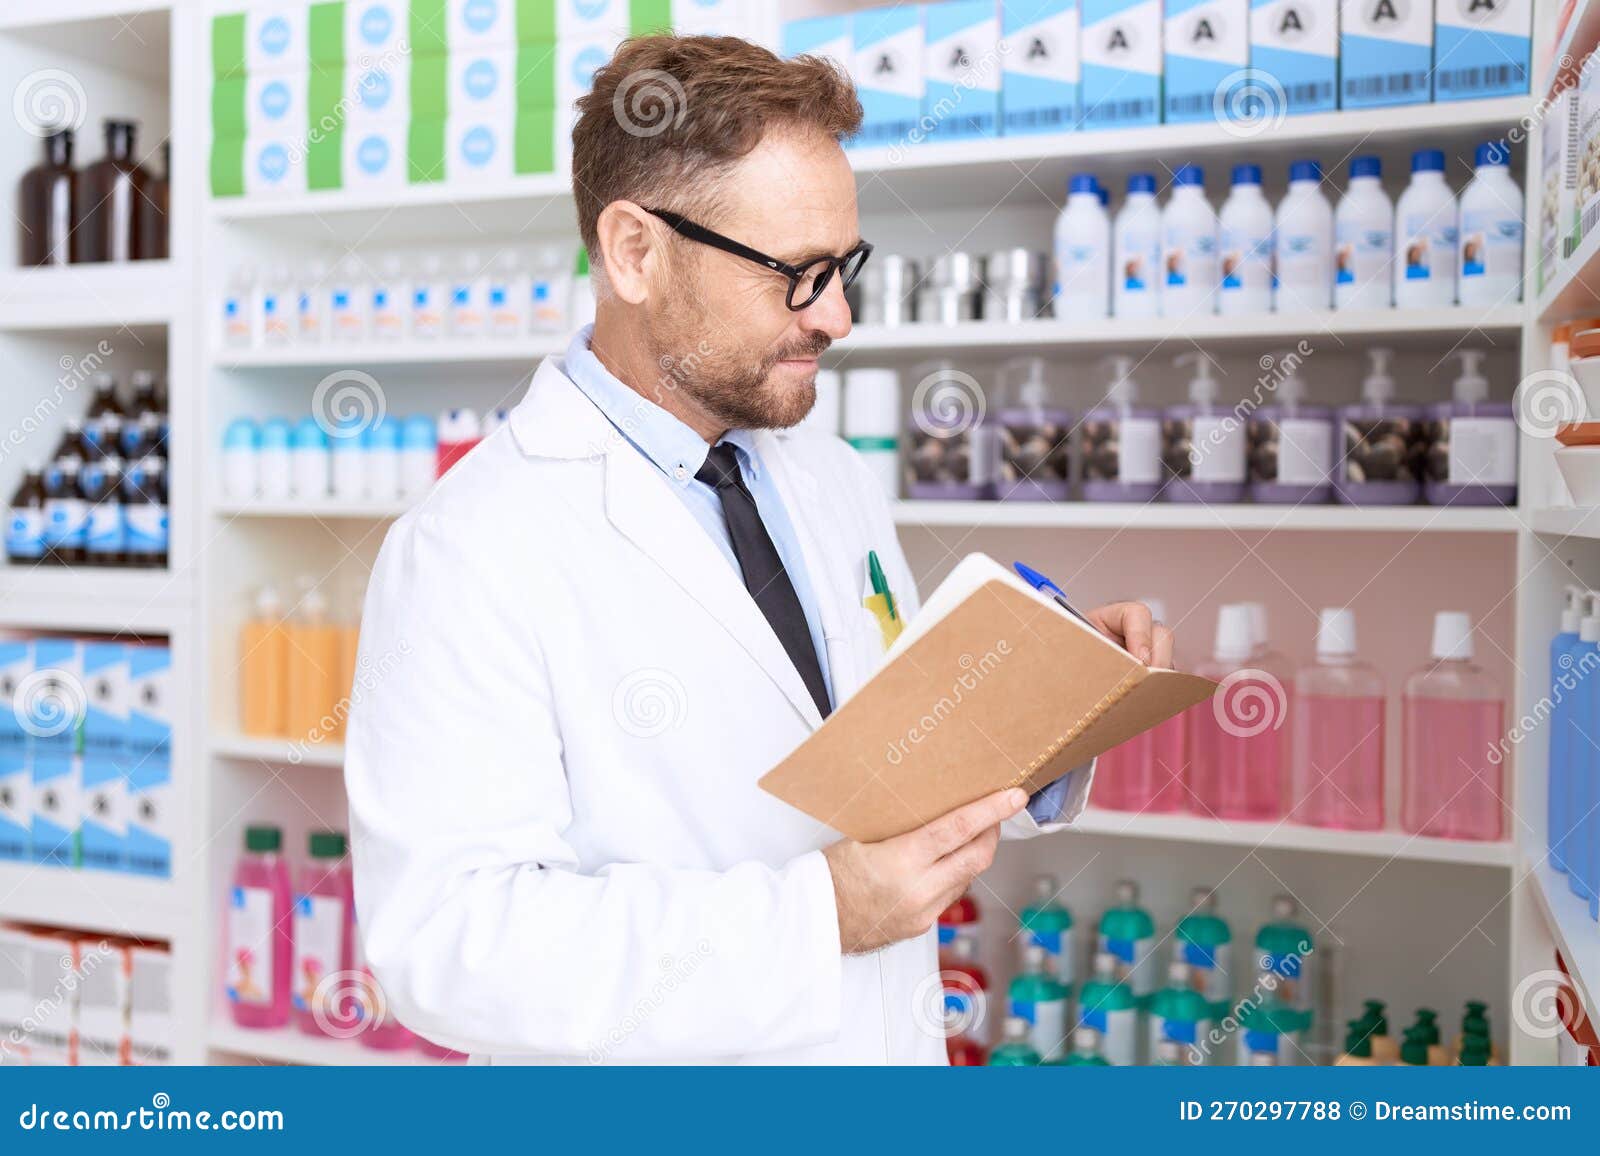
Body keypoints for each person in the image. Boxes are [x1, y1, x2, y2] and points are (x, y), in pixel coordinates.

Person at [345, 34, 1173, 1064]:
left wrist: (1040, 701)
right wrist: (818, 914)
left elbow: (883, 758)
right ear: (635, 252)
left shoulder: (821, 470)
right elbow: (452, 948)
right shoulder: (467, 549)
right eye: (800, 273)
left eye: (845, 265)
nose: (840, 314)